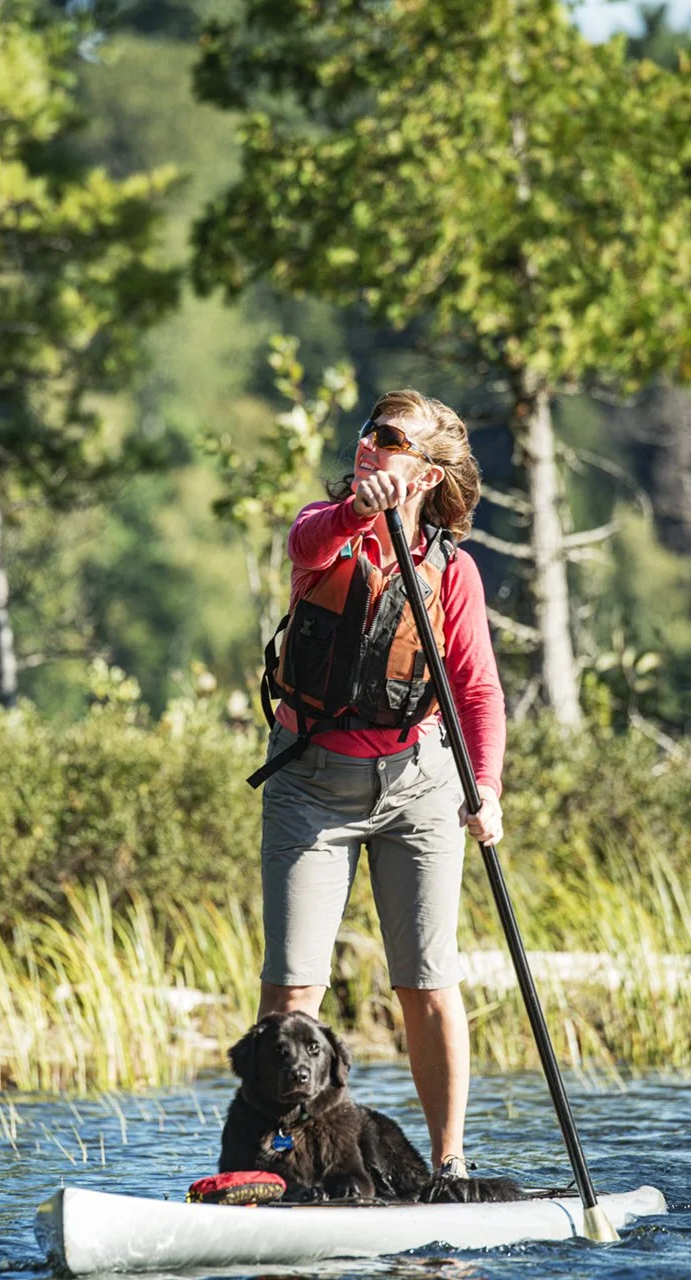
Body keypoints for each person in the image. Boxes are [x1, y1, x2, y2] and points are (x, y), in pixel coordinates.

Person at [255, 388, 505, 1186]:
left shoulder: (453, 571)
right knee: (293, 989)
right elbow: (307, 543)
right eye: (370, 429)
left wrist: (485, 786)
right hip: (311, 784)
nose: (370, 442)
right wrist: (358, 512)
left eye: (391, 437)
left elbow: (476, 691)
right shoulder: (327, 530)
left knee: (426, 982)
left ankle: (449, 1165)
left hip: (419, 786)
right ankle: (276, 1164)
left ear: (428, 472)